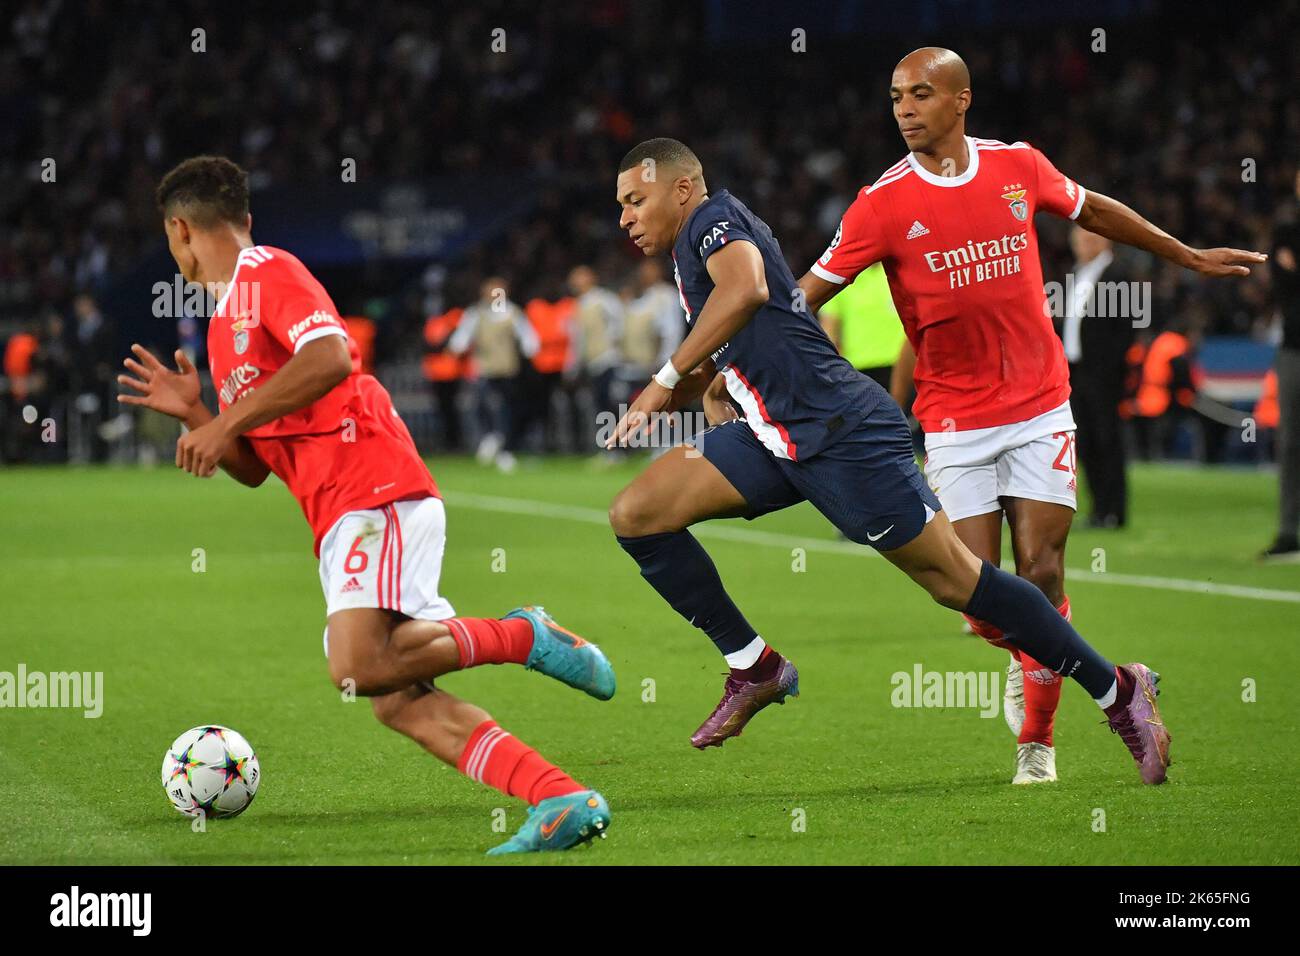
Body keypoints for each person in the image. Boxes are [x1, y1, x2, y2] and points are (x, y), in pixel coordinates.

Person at [606, 137, 1170, 786]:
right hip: (773, 432)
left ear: (682, 189)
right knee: (638, 514)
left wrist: (668, 375)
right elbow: (761, 315)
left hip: (842, 434)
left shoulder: (713, 221)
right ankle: (754, 665)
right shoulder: (692, 238)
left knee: (962, 587)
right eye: (621, 204)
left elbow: (748, 289)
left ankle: (1117, 688)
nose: (625, 216)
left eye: (635, 200)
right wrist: (715, 374)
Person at [118, 156, 614, 854]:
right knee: (394, 698)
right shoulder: (224, 319)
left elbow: (331, 358)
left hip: (371, 485)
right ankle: (560, 797)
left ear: (179, 230)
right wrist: (200, 413)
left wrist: (225, 421)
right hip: (337, 512)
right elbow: (258, 469)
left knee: (356, 666)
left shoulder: (268, 272)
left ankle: (522, 636)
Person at [798, 48, 1262, 784]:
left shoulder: (1017, 165)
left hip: (1040, 404)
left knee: (1040, 573)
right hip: (953, 419)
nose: (906, 109)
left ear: (962, 100)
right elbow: (804, 298)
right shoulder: (879, 203)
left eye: (921, 94)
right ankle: (1094, 669)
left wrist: (1187, 255)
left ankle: (1036, 744)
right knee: (981, 600)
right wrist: (728, 360)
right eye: (895, 98)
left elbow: (1095, 207)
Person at [1059, 228, 1137, 529]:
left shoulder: (1118, 274)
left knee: (1108, 441)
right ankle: (1098, 509)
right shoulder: (1078, 273)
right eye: (1076, 240)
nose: (1080, 245)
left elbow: (1126, 329)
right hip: (1075, 372)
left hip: (1104, 374)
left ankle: (1115, 511)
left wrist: (1113, 367)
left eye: (1087, 240)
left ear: (1104, 240)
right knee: (1086, 442)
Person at [448, 276, 539, 472]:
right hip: (484, 369)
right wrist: (457, 347)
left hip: (507, 369)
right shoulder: (476, 313)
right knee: (482, 404)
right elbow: (463, 336)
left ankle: (505, 448)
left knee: (507, 409)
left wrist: (530, 349)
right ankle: (490, 436)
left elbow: (528, 336)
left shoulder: (512, 313)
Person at [1262, 167, 1300, 560]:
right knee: (1290, 442)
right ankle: (1289, 530)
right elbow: (1283, 285)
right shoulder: (1286, 231)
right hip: (1293, 347)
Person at [816, 262, 907, 393]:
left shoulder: (899, 271)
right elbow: (829, 332)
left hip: (901, 366)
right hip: (858, 371)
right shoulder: (840, 278)